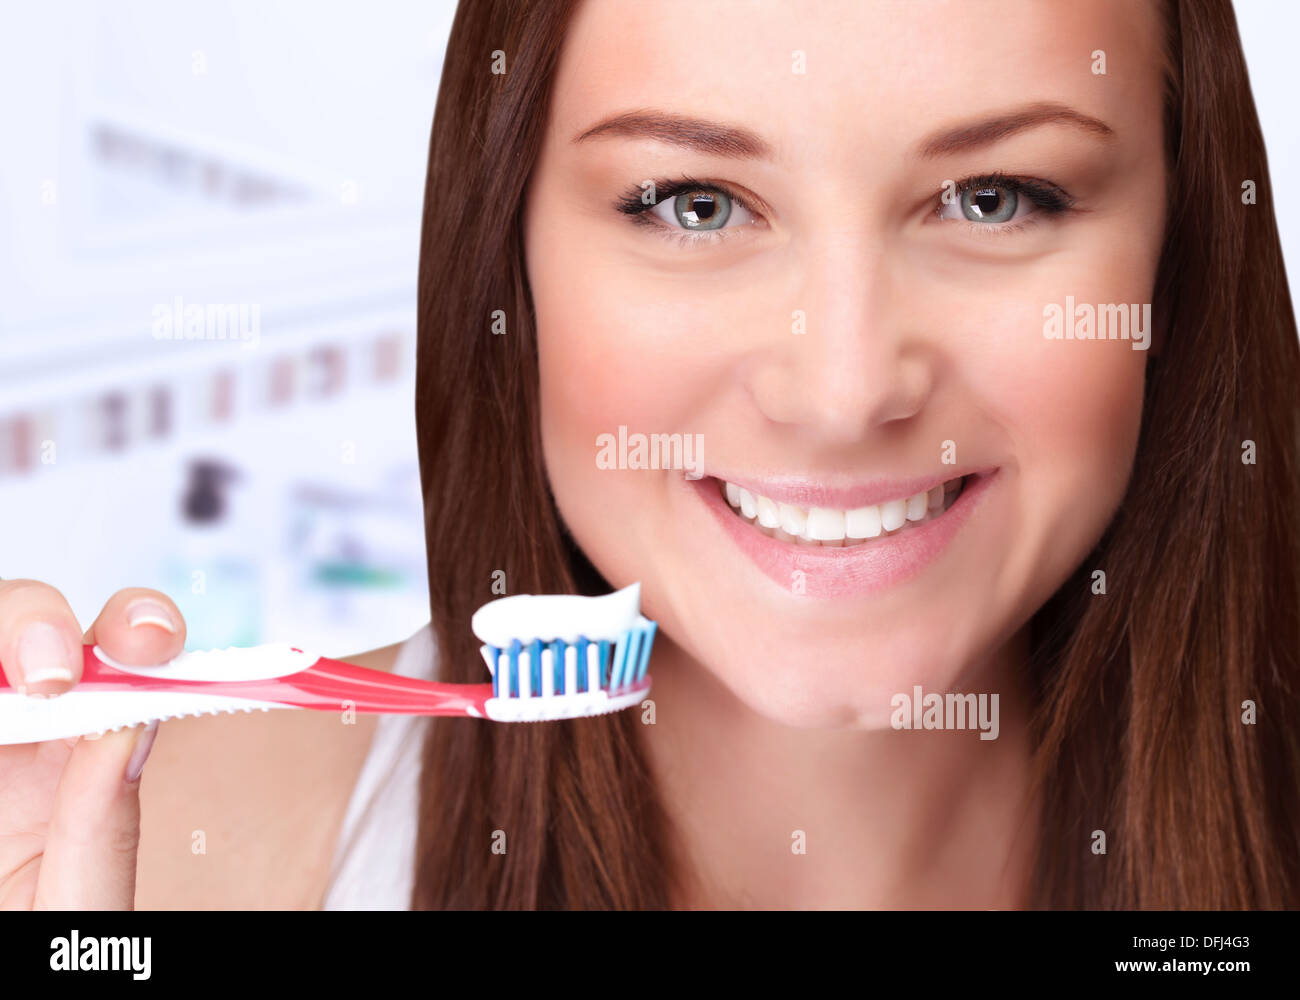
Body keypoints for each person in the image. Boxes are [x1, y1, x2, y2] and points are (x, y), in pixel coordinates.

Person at [2, 0, 1297, 910]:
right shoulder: (158, 854)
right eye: (696, 204)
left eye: (994, 198)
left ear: (1177, 257)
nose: (843, 391)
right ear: (508, 259)